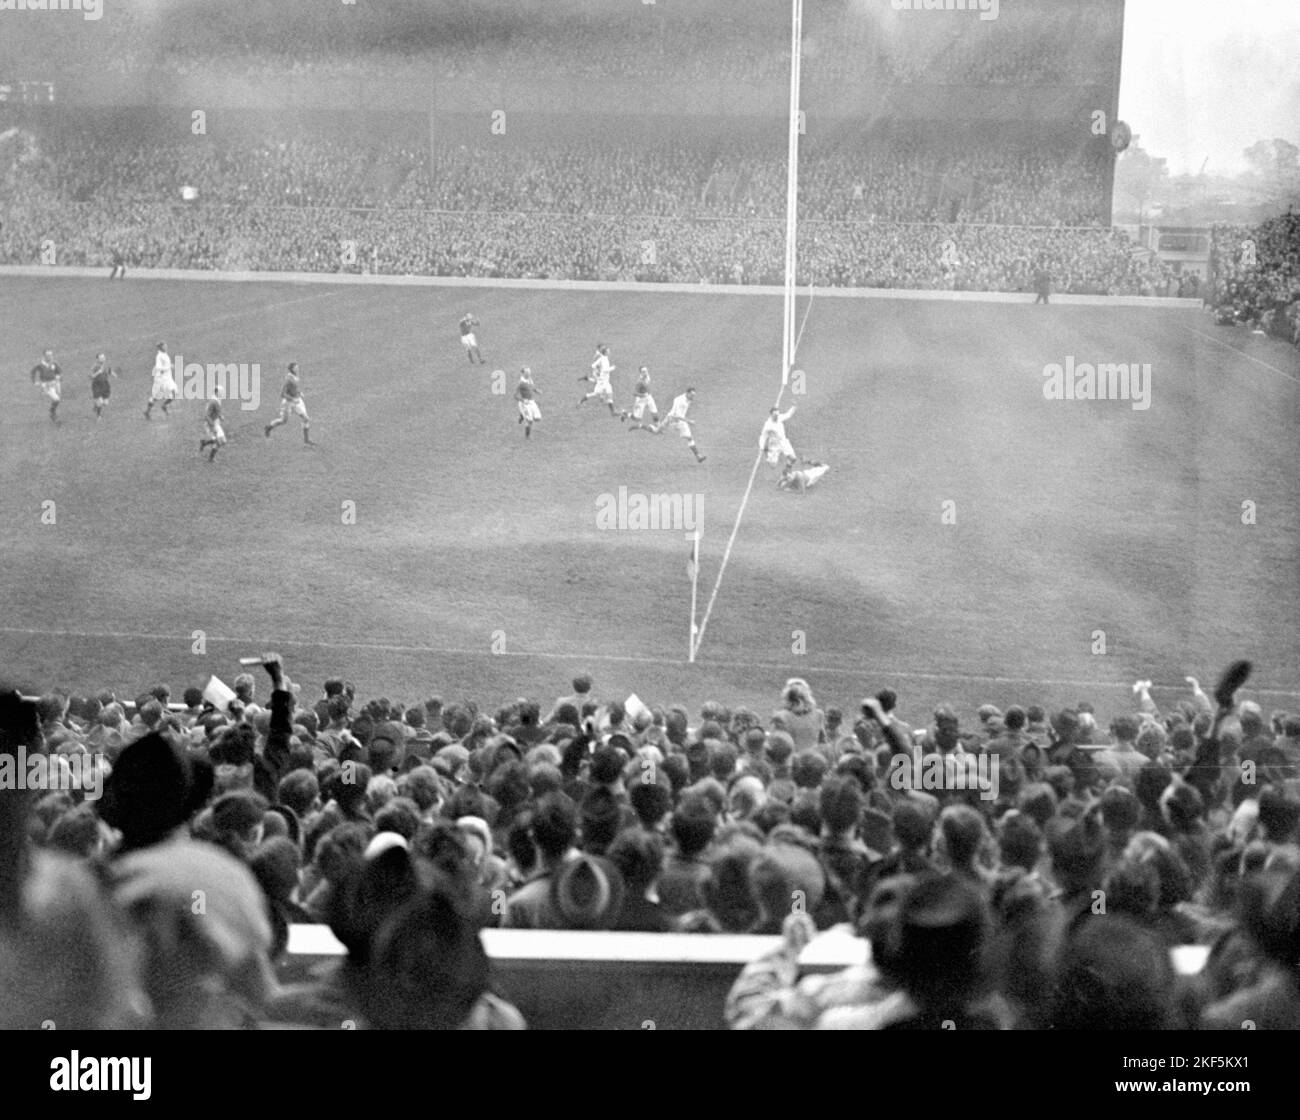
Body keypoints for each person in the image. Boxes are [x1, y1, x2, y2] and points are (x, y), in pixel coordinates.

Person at [650, 387, 706, 463]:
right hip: (671, 420)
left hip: (680, 422)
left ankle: (698, 456)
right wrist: (689, 421)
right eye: (692, 395)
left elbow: (681, 415)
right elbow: (677, 415)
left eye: (694, 395)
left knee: (689, 438)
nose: (693, 397)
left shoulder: (688, 399)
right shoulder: (680, 401)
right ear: (687, 393)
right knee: (656, 432)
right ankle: (642, 426)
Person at [265, 362, 312, 444]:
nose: (297, 369)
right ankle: (269, 427)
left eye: (298, 367)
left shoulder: (296, 376)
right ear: (291, 369)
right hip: (288, 403)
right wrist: (293, 399)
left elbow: (295, 387)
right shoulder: (288, 379)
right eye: (295, 368)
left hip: (297, 401)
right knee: (283, 421)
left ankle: (306, 440)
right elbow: (282, 394)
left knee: (306, 419)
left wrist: (299, 393)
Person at [578, 343, 619, 417]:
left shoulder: (603, 358)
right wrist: (613, 368)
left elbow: (593, 365)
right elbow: (605, 370)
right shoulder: (604, 360)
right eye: (608, 350)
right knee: (596, 393)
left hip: (605, 381)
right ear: (606, 352)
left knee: (609, 393)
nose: (609, 351)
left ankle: (613, 412)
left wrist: (597, 370)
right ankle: (582, 399)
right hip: (602, 382)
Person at [144, 342, 176, 419]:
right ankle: (148, 411)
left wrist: (169, 366)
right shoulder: (159, 356)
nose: (166, 347)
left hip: (167, 378)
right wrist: (169, 367)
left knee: (173, 392)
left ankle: (161, 406)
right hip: (161, 379)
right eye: (164, 346)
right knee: (156, 396)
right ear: (161, 347)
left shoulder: (164, 354)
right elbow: (159, 368)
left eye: (166, 345)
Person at [31, 348, 62, 424]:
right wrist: (34, 382)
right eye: (48, 355)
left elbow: (59, 372)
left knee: (58, 398)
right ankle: (52, 413)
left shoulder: (54, 363)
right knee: (56, 399)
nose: (50, 356)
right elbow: (33, 372)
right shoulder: (40, 365)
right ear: (44, 356)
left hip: (55, 383)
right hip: (46, 384)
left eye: (51, 355)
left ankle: (52, 412)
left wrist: (58, 377)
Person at [623, 365, 659, 430]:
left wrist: (647, 394)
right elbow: (634, 393)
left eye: (646, 371)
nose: (646, 372)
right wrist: (642, 395)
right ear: (640, 373)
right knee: (637, 419)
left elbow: (647, 385)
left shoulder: (647, 377)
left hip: (649, 398)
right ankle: (627, 414)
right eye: (643, 371)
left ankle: (658, 427)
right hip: (641, 400)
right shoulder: (639, 382)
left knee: (655, 413)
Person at [199, 389, 228, 462]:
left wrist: (220, 416)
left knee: (223, 441)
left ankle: (204, 443)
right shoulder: (213, 402)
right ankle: (211, 459)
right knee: (218, 441)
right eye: (221, 392)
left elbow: (217, 411)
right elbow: (206, 415)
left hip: (215, 423)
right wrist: (212, 426)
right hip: (210, 424)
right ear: (217, 392)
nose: (222, 394)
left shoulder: (217, 400)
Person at [514, 367, 541, 439]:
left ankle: (522, 415)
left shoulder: (529, 379)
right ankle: (527, 436)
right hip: (525, 403)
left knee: (538, 418)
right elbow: (515, 396)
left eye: (529, 372)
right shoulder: (521, 383)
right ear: (523, 373)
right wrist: (523, 400)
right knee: (530, 421)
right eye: (527, 373)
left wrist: (536, 390)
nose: (529, 374)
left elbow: (532, 386)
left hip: (531, 401)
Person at [89, 354, 116, 420]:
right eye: (101, 358)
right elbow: (91, 377)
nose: (103, 359)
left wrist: (114, 375)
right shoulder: (94, 367)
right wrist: (98, 372)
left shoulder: (106, 365)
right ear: (97, 359)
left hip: (105, 385)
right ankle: (99, 416)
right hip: (97, 385)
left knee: (105, 403)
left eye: (104, 357)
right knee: (100, 402)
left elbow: (109, 371)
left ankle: (96, 406)